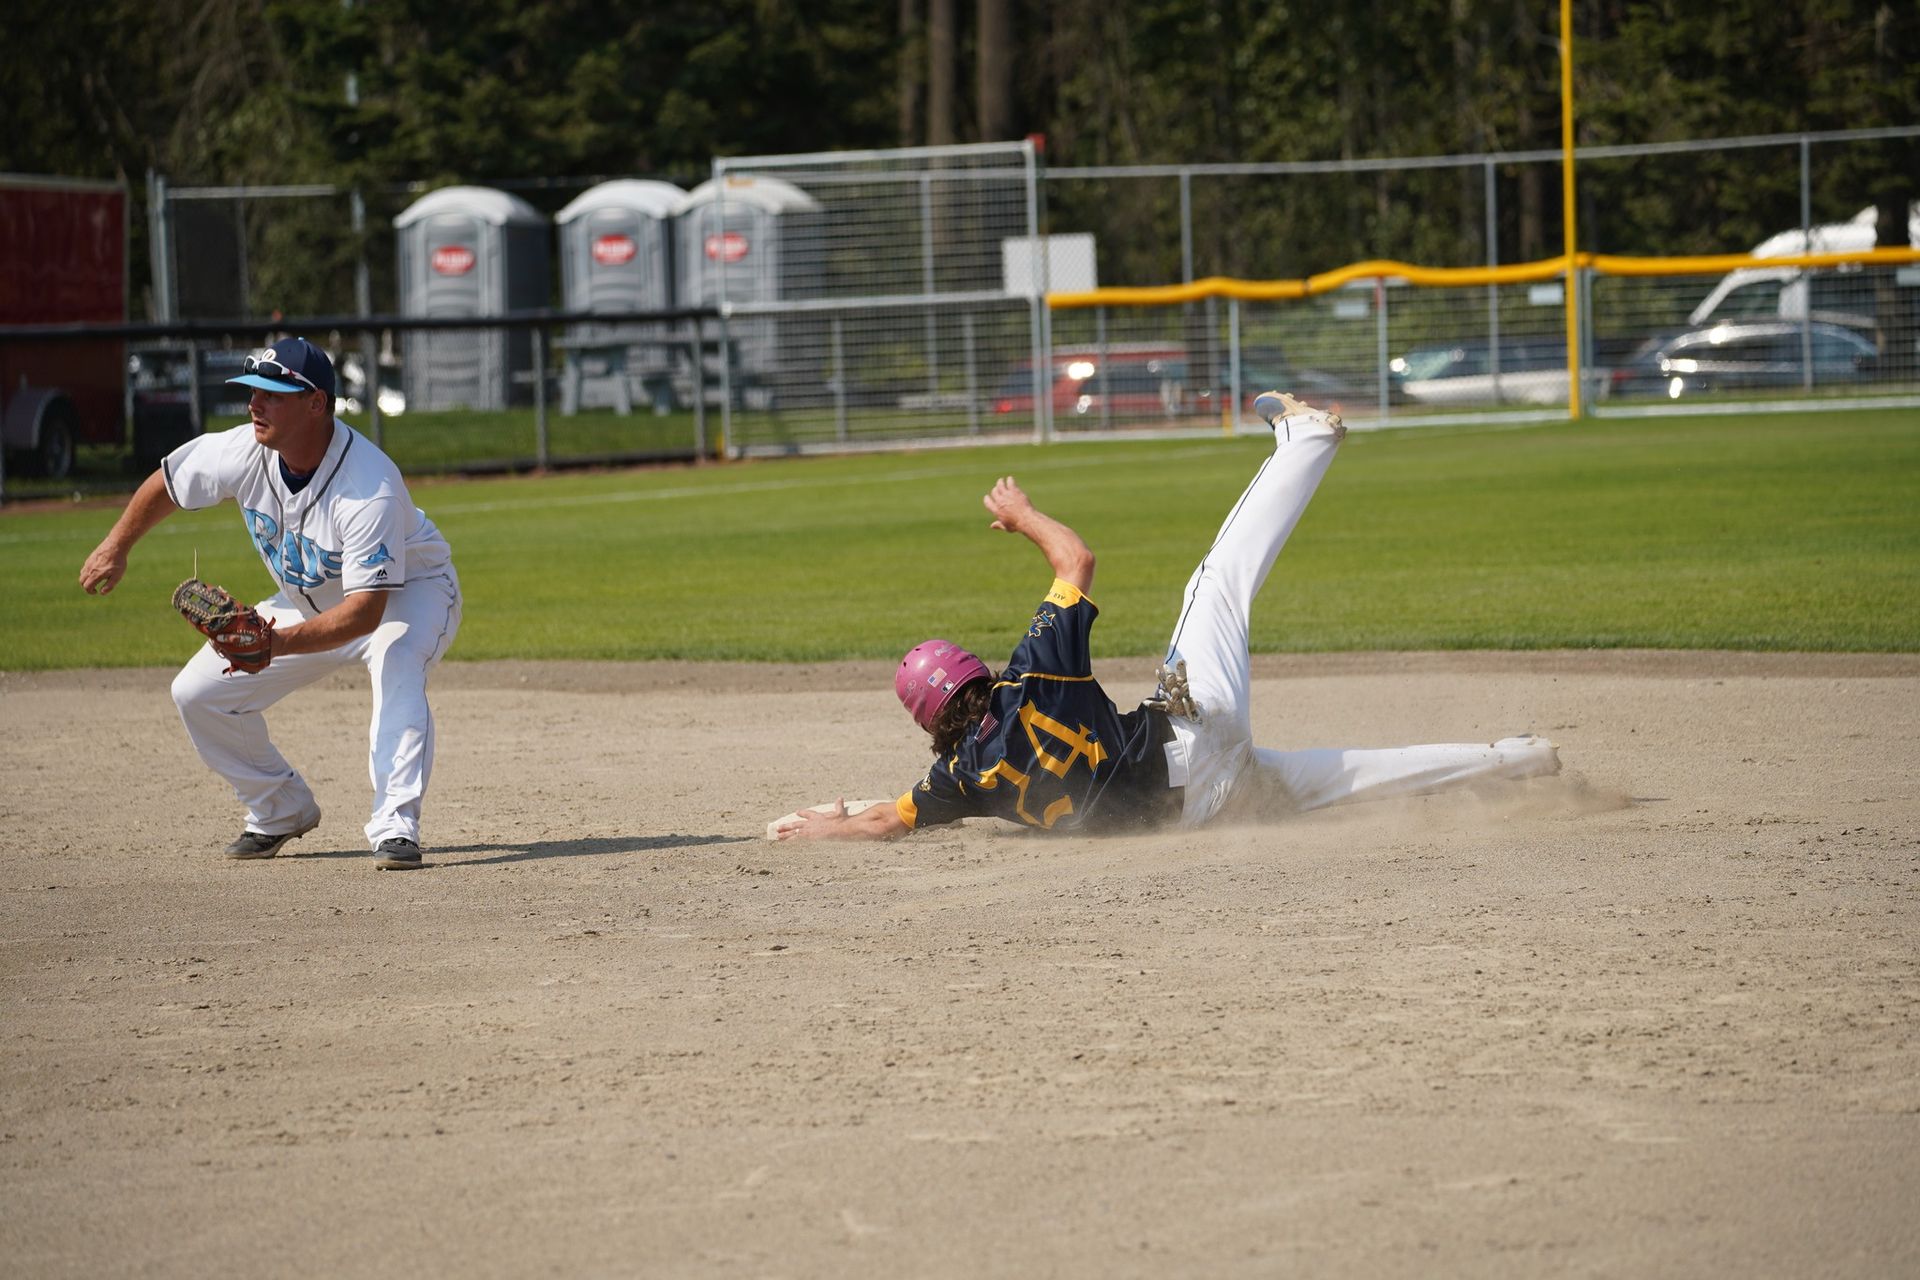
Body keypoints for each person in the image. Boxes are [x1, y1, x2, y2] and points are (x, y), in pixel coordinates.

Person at [778, 391, 1559, 841]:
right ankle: (1306, 441)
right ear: (973, 675)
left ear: (928, 722)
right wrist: (1022, 515)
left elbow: (893, 818)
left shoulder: (961, 778)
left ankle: (1520, 761)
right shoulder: (1031, 676)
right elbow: (1076, 564)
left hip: (1197, 814)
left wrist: (827, 825)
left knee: (1345, 779)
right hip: (1191, 740)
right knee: (1214, 584)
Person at [79, 337, 461, 871]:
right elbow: (168, 484)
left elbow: (367, 614)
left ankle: (396, 826)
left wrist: (274, 643)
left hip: (407, 594)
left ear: (316, 404)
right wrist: (115, 545)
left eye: (274, 392)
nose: (256, 403)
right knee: (197, 693)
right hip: (307, 604)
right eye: (253, 391)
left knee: (396, 659)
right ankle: (280, 809)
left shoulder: (369, 487)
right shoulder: (241, 450)